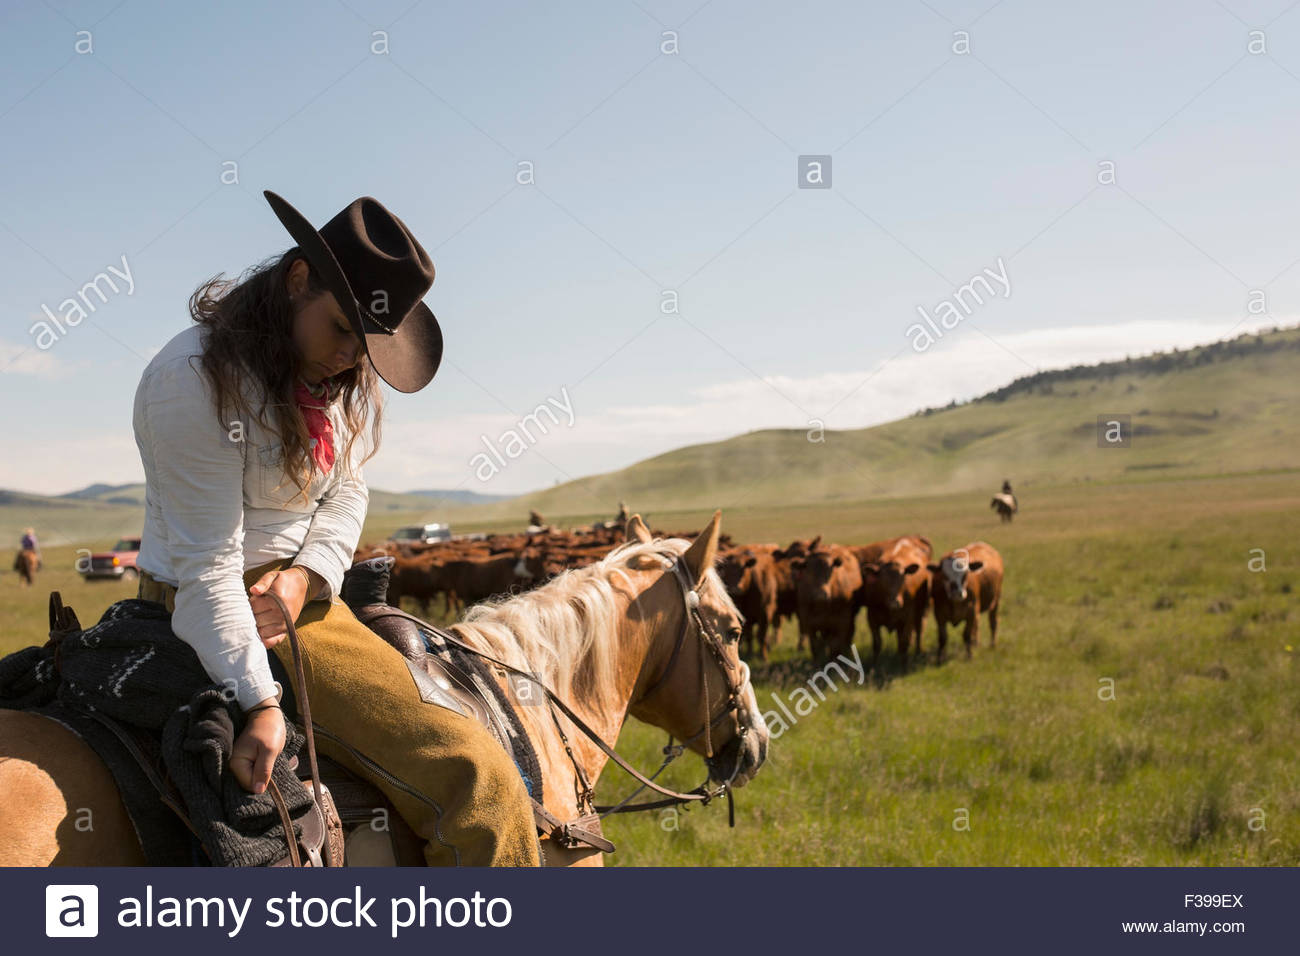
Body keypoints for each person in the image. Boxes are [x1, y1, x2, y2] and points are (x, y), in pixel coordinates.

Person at [131, 190, 539, 866]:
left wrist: (307, 576)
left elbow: (348, 491)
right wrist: (260, 700)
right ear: (297, 279)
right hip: (236, 606)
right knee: (480, 779)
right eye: (342, 329)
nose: (351, 358)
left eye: (366, 343)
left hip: (298, 596)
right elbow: (207, 570)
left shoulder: (327, 382)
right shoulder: (190, 381)